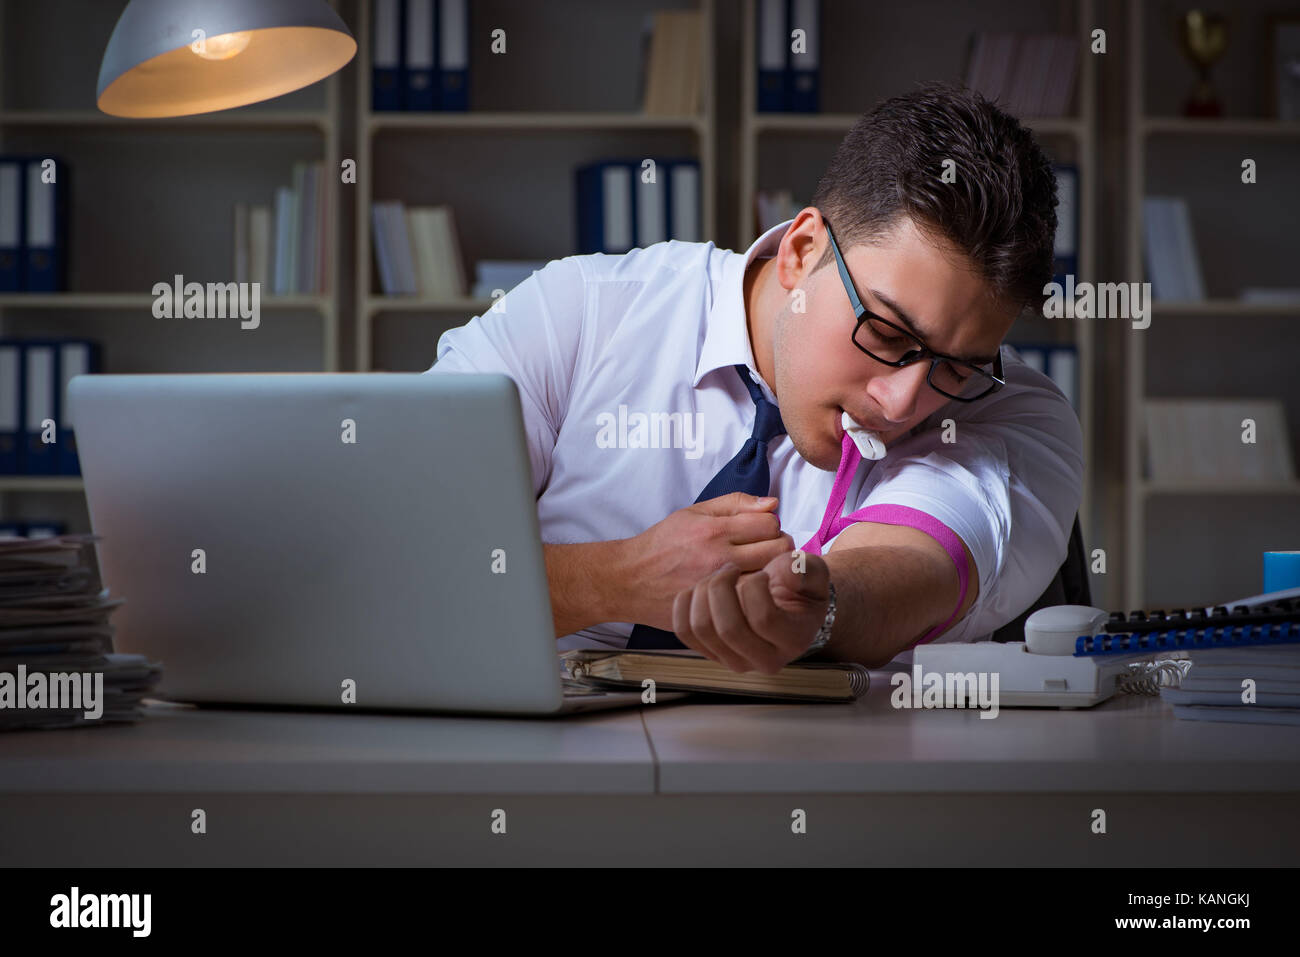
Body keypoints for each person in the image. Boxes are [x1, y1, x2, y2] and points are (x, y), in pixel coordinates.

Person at [427, 81, 1083, 674]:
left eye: (958, 367)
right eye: (887, 334)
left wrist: (812, 604)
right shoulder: (579, 313)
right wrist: (617, 577)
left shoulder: (1014, 412)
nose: (903, 401)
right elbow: (398, 554)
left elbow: (914, 565)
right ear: (801, 252)